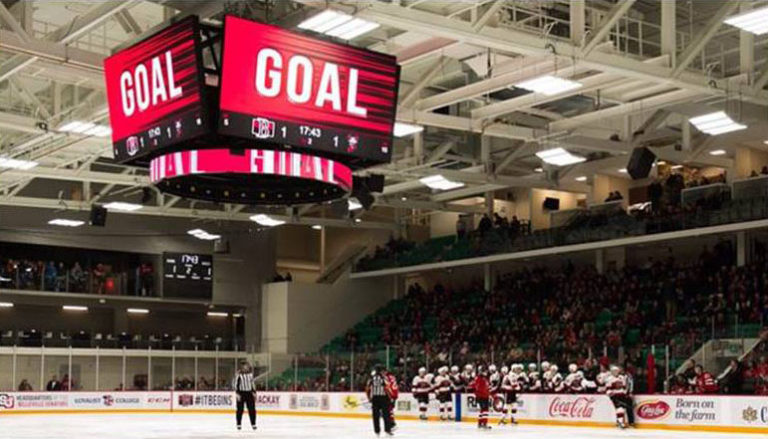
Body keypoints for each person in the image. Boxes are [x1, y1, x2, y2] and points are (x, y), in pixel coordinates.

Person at [366, 364, 394, 436]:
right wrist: (390, 397)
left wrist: (369, 398)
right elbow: (387, 389)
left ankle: (377, 431)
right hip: (384, 398)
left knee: (375, 415)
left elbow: (367, 389)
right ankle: (387, 430)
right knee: (386, 415)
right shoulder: (384, 378)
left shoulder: (371, 378)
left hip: (375, 398)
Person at [232, 361, 257, 431]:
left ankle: (253, 423)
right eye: (245, 366)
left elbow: (252, 383)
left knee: (252, 409)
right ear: (242, 367)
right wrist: (237, 393)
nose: (247, 367)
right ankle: (239, 424)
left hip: (249, 393)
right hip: (241, 394)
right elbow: (235, 384)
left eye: (247, 366)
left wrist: (254, 392)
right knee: (240, 410)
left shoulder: (250, 374)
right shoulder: (238, 374)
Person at [469, 365, 491, 430]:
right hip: (481, 396)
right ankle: (484, 423)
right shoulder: (478, 378)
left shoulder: (484, 378)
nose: (486, 372)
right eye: (484, 371)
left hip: (485, 396)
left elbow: (487, 387)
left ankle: (481, 423)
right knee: (484, 410)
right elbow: (476, 387)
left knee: (483, 410)